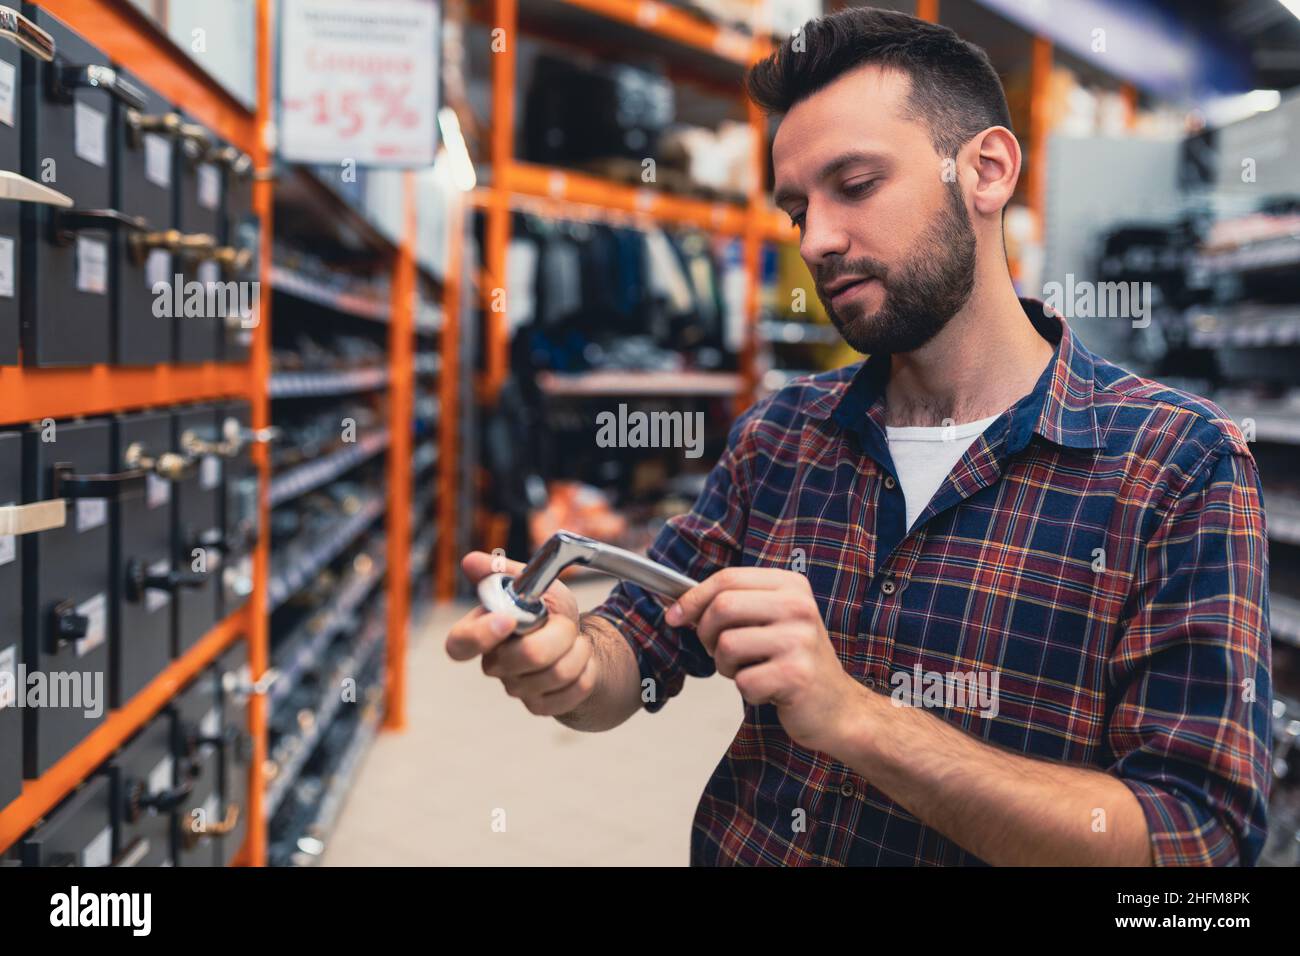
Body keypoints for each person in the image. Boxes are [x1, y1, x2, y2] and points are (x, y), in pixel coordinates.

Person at [446, 7, 1272, 866]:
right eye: (799, 208)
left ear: (986, 170)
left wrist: (858, 719)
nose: (820, 240)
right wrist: (572, 663)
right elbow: (635, 651)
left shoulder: (1180, 469)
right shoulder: (781, 438)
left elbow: (1196, 844)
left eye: (857, 184)